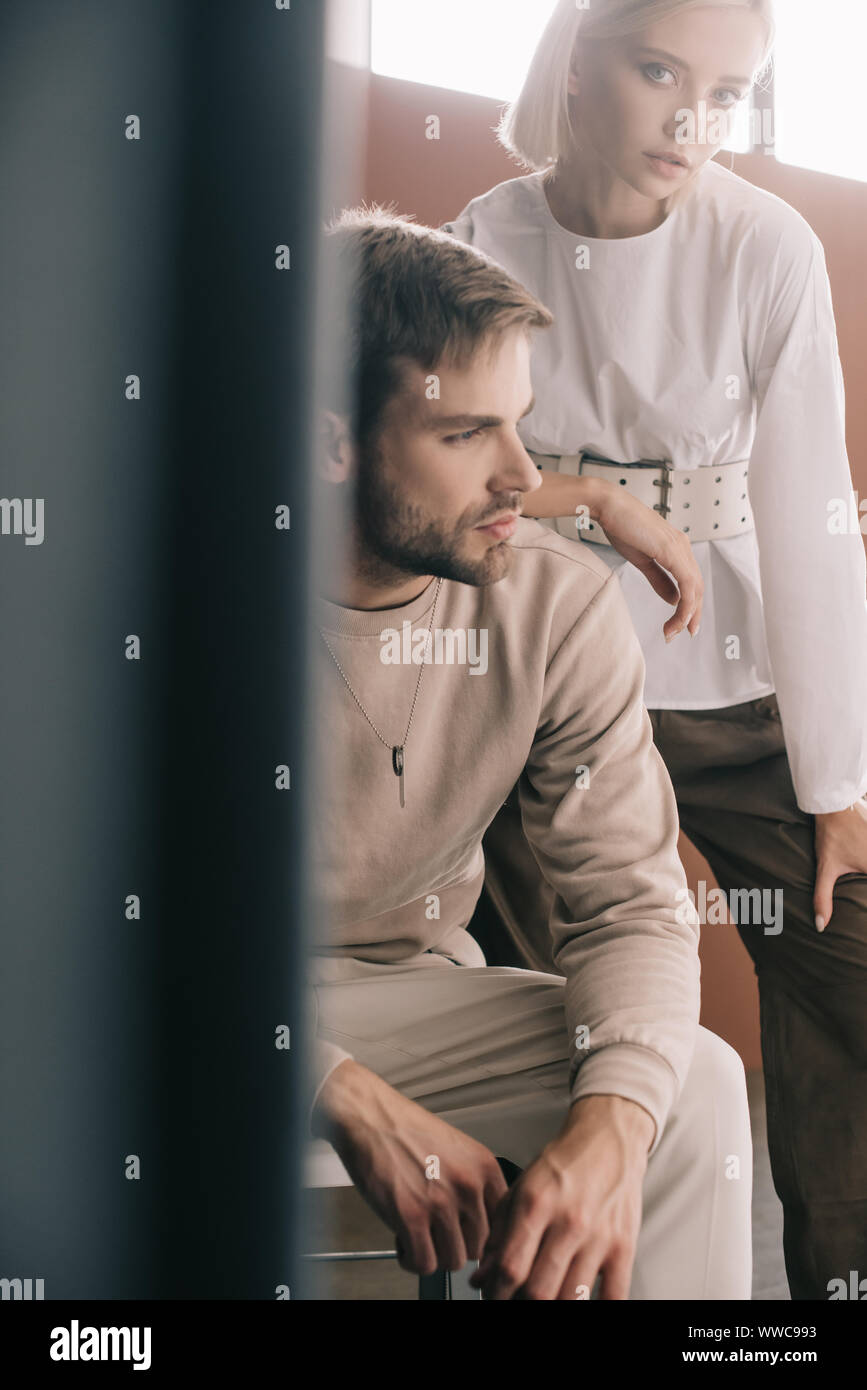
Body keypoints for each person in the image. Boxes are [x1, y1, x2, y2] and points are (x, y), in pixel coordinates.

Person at [442, 0, 867, 1299]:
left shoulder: (762, 243)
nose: (692, 119)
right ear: (578, 67)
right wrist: (590, 500)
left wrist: (834, 781)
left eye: (725, 90)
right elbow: (445, 479)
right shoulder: (480, 239)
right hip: (541, 685)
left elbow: (806, 513)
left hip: (737, 681)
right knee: (560, 1024)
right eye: (655, 70)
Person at [307, 206, 752, 1300]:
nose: (521, 474)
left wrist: (612, 1121)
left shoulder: (554, 603)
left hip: (409, 990)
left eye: (521, 424)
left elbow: (633, 904)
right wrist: (339, 1088)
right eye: (466, 435)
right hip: (170, 1007)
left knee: (687, 1080)